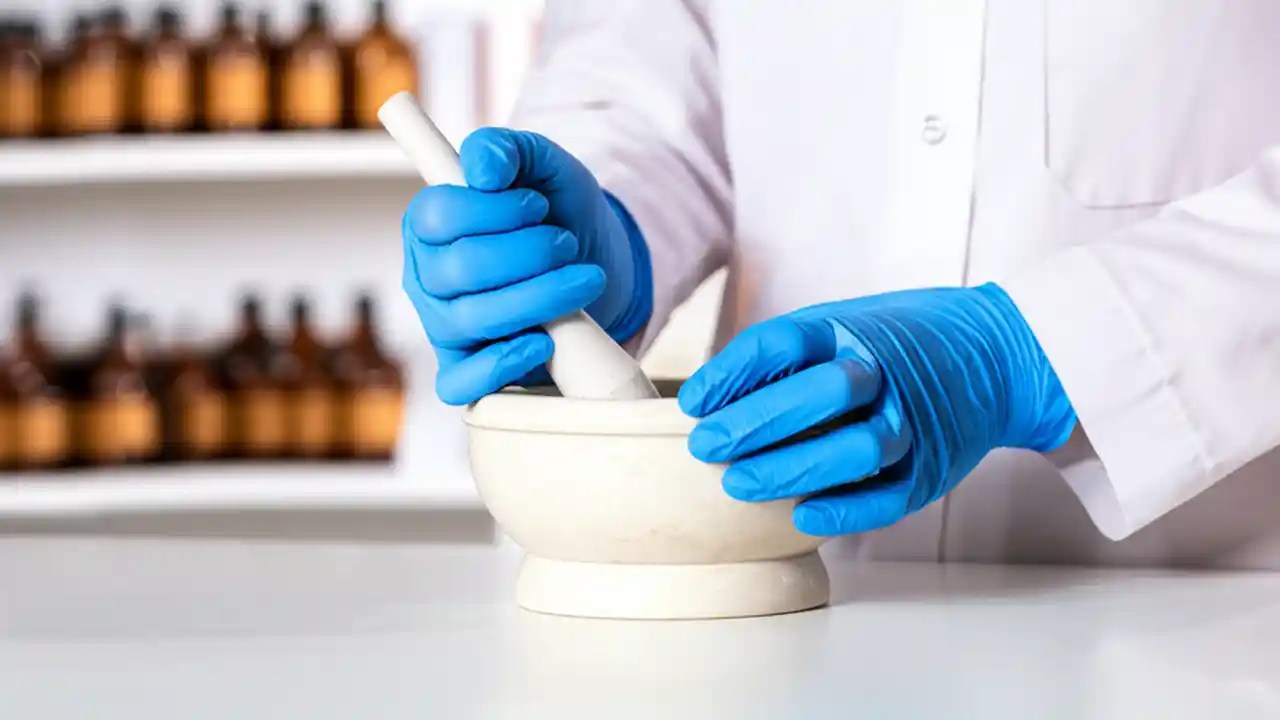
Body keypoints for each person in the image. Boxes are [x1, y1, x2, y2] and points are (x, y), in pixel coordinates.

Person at [399, 1, 1280, 569]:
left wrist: (1048, 353)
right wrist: (609, 230)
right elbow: (645, 64)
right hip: (806, 596)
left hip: (1204, 601)